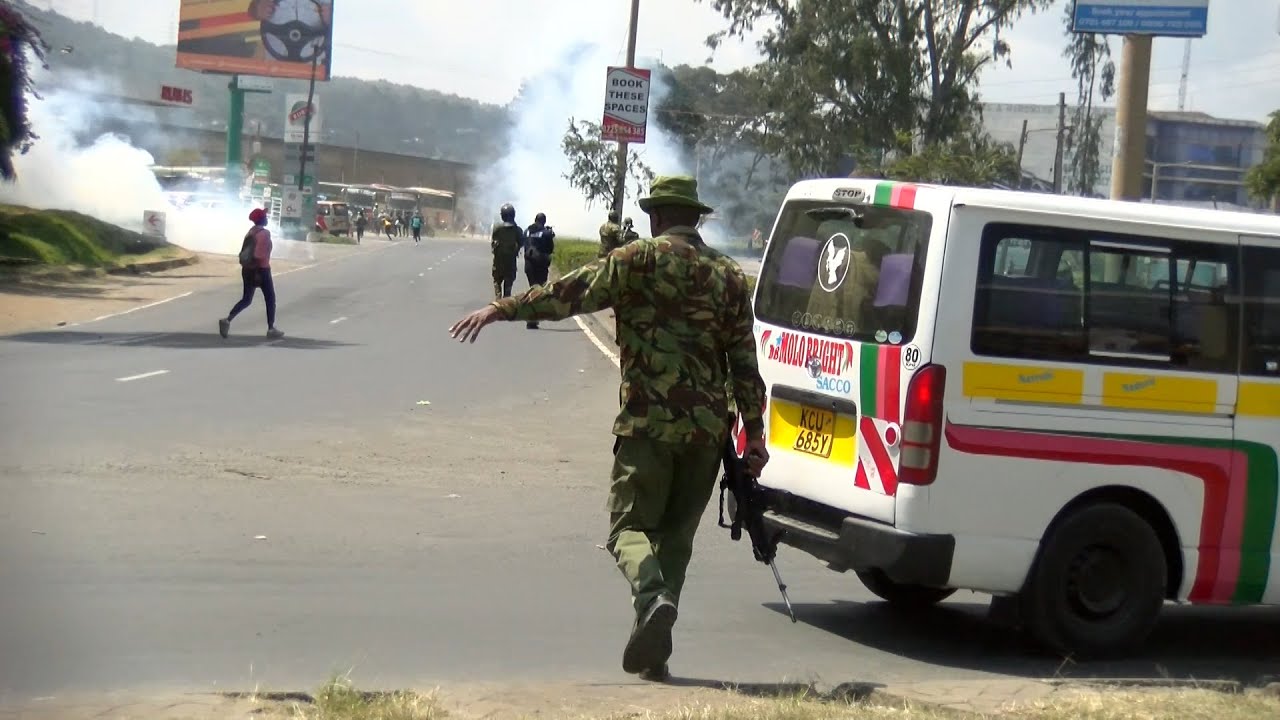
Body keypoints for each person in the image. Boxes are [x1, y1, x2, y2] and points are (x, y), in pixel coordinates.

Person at [448, 175, 769, 682]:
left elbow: (566, 295)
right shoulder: (729, 276)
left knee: (627, 531)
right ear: (695, 218)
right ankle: (656, 654)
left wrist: (502, 308)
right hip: (707, 434)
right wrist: (756, 436)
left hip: (646, 425)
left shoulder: (635, 260)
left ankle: (652, 598)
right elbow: (745, 366)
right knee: (676, 543)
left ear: (657, 217)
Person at [220, 208, 284, 339]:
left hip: (247, 269)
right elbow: (259, 254)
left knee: (247, 299)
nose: (267, 218)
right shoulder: (264, 233)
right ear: (262, 219)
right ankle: (271, 328)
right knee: (270, 299)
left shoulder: (251, 232)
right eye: (265, 216)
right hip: (261, 269)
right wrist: (259, 271)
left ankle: (227, 320)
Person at [521, 212, 556, 329]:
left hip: (529, 265)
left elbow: (524, 243)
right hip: (540, 266)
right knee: (539, 291)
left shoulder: (526, 230)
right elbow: (550, 249)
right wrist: (550, 235)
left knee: (532, 288)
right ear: (544, 221)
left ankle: (531, 317)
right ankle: (532, 318)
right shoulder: (546, 233)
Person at [490, 203, 524, 300]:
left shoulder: (497, 228)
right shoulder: (517, 230)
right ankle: (505, 304)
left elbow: (493, 242)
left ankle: (498, 300)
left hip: (498, 262)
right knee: (508, 289)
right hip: (510, 263)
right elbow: (522, 242)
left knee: (497, 282)